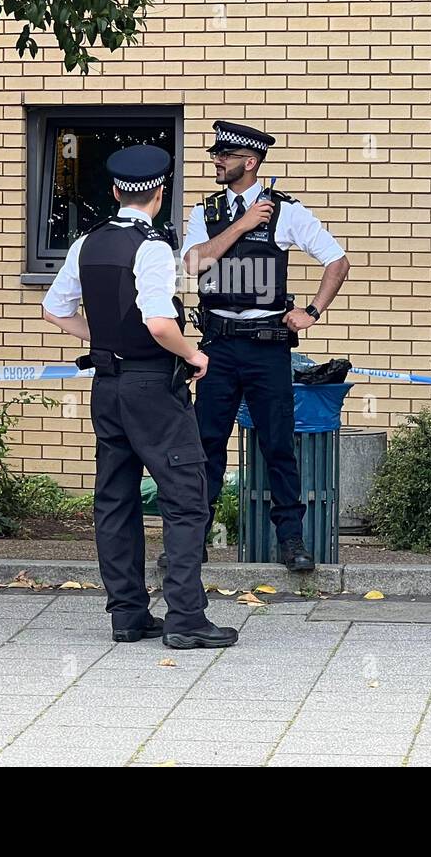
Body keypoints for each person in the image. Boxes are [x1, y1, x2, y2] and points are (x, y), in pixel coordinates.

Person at [41, 144, 239, 650]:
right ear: (160, 192)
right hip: (153, 387)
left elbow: (55, 310)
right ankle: (186, 618)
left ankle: (127, 615)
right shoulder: (152, 247)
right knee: (185, 497)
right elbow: (158, 320)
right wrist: (192, 354)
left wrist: (106, 341)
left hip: (107, 386)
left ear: (114, 192)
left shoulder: (86, 242)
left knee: (114, 499)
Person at [175, 120, 350, 572]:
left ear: (249, 163)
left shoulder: (286, 211)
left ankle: (291, 541)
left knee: (277, 445)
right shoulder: (207, 211)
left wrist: (312, 312)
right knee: (206, 444)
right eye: (216, 154)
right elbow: (194, 264)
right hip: (216, 344)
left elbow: (337, 260)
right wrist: (243, 224)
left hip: (267, 345)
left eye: (225, 156)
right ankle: (194, 543)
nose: (217, 160)